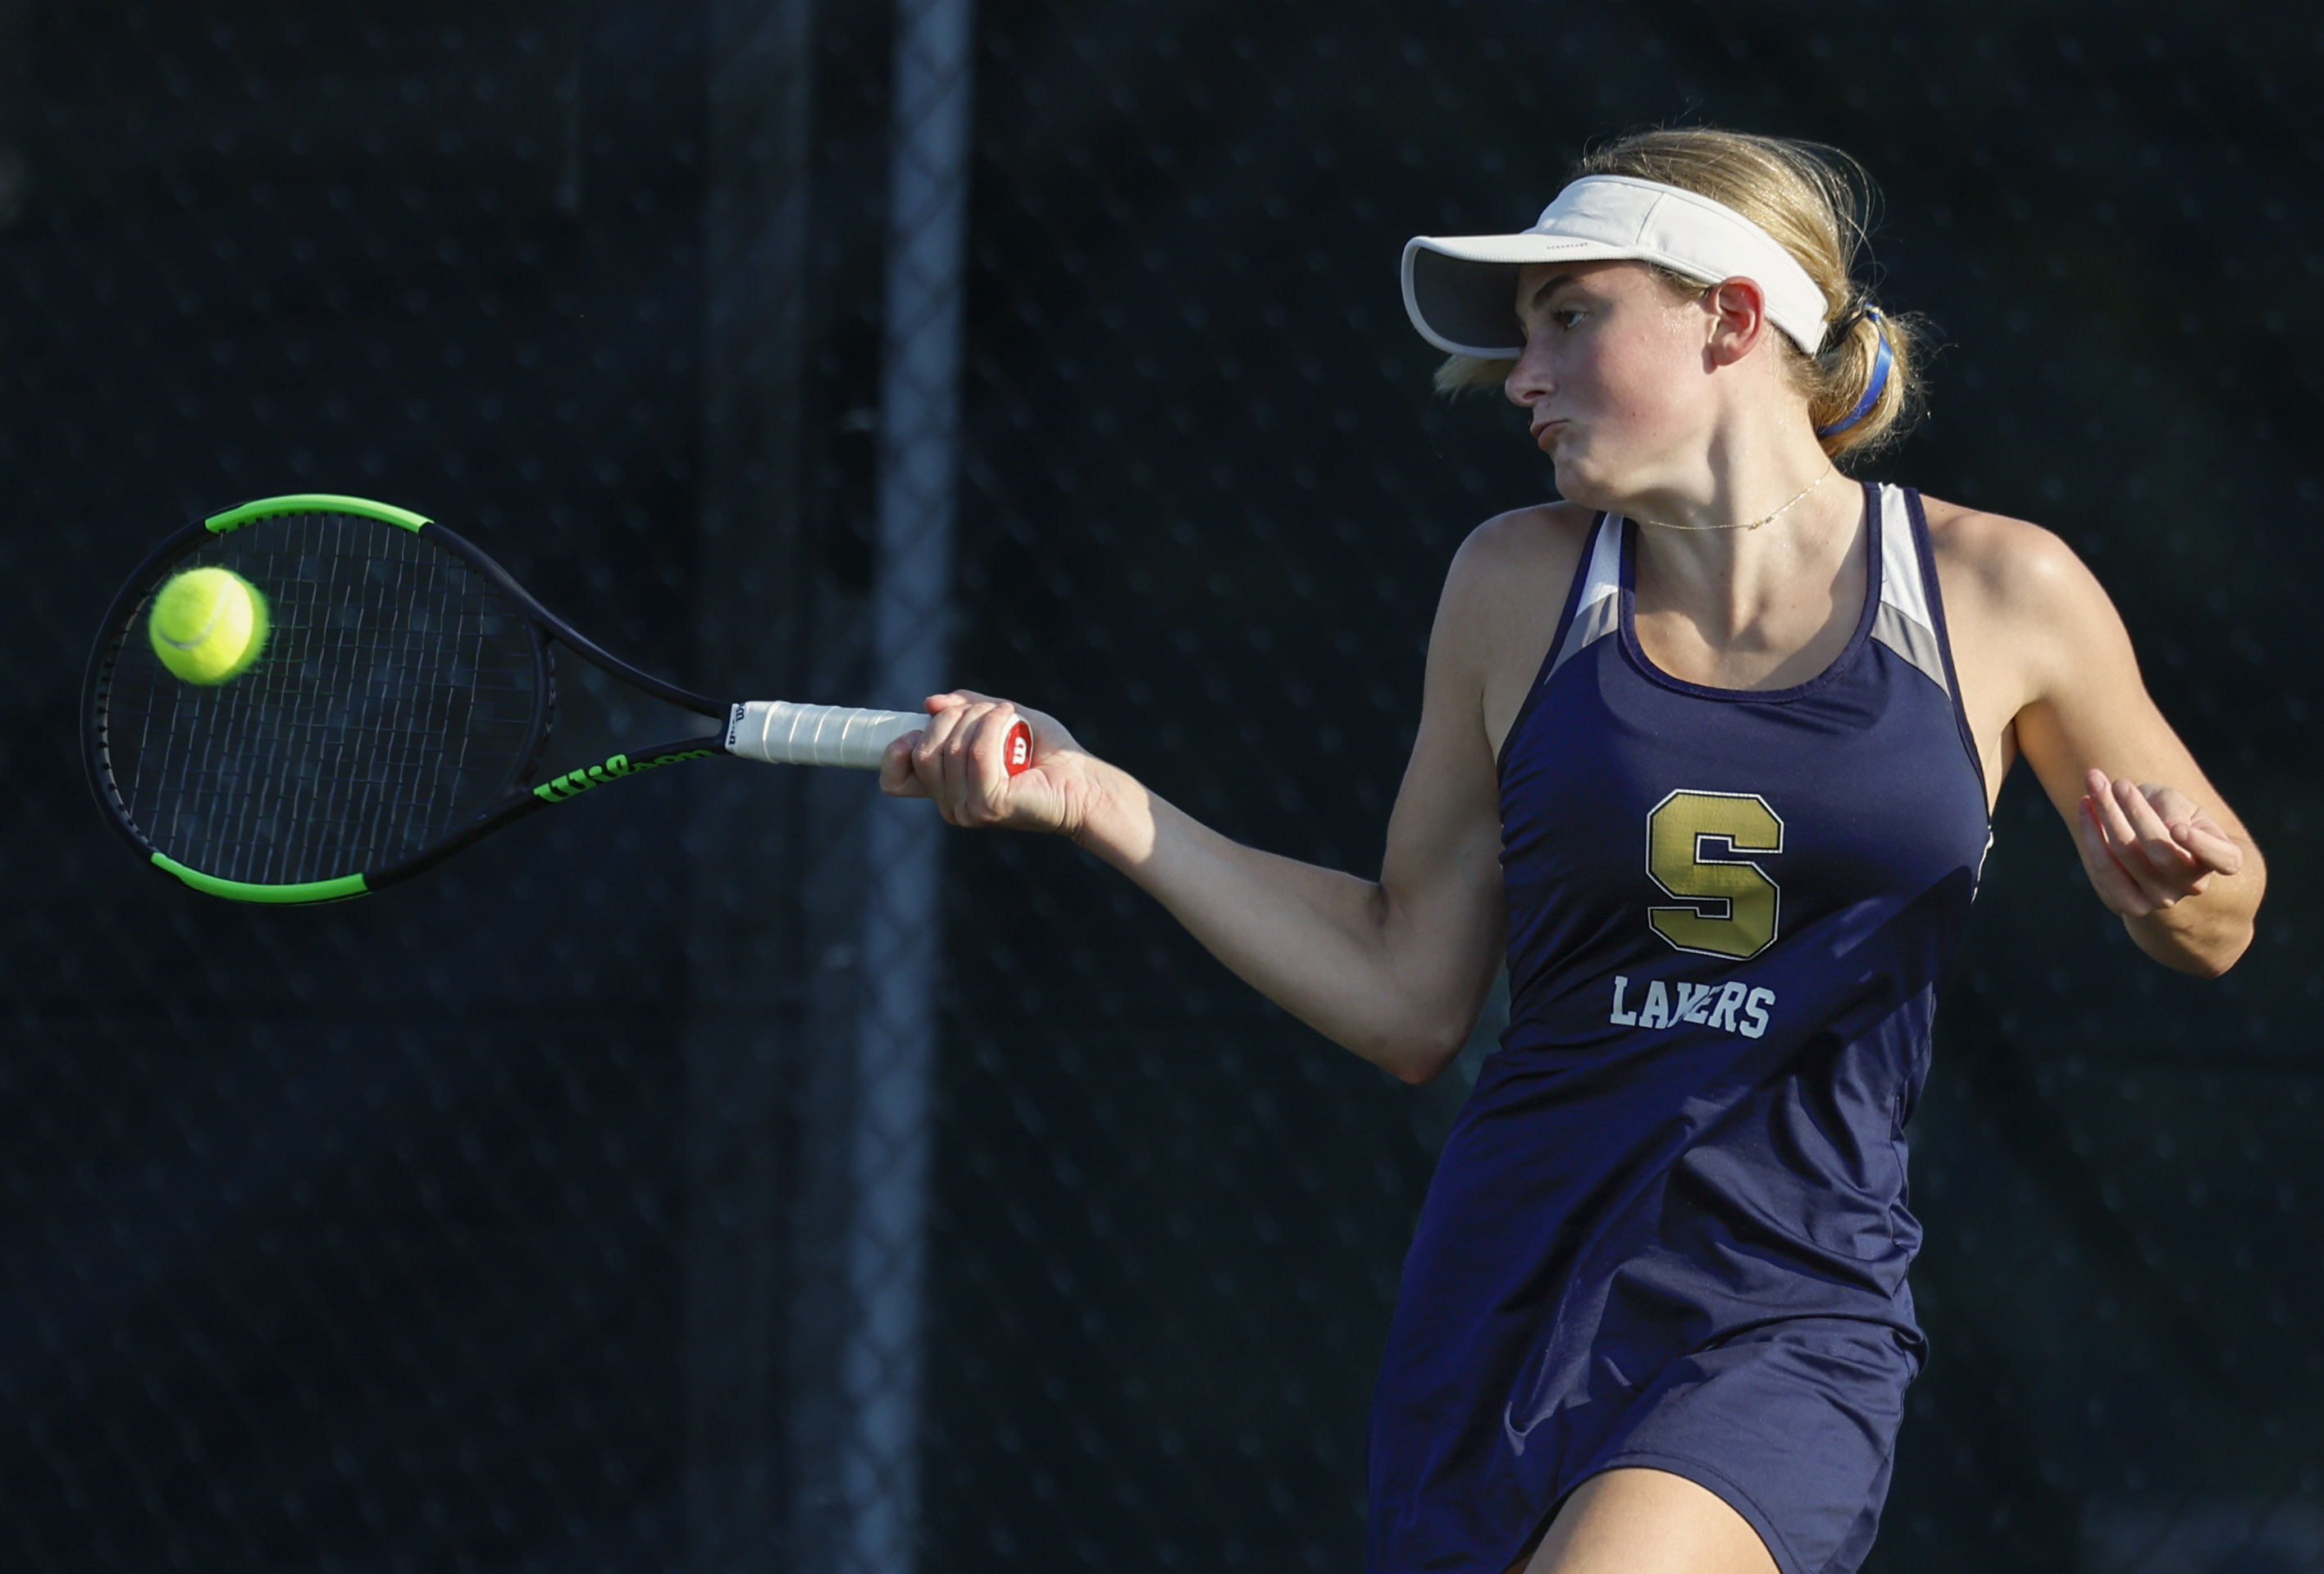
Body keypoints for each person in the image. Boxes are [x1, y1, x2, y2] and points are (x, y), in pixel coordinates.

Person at [879, 127, 2265, 1574]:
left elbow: (2221, 916)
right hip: (1504, 1300)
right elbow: (1409, 992)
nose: (1522, 378)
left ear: (1731, 315)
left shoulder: (1999, 589)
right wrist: (1100, 800)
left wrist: (2168, 891)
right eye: (1522, 337)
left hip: (1786, 1312)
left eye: (1570, 316)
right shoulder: (1511, 583)